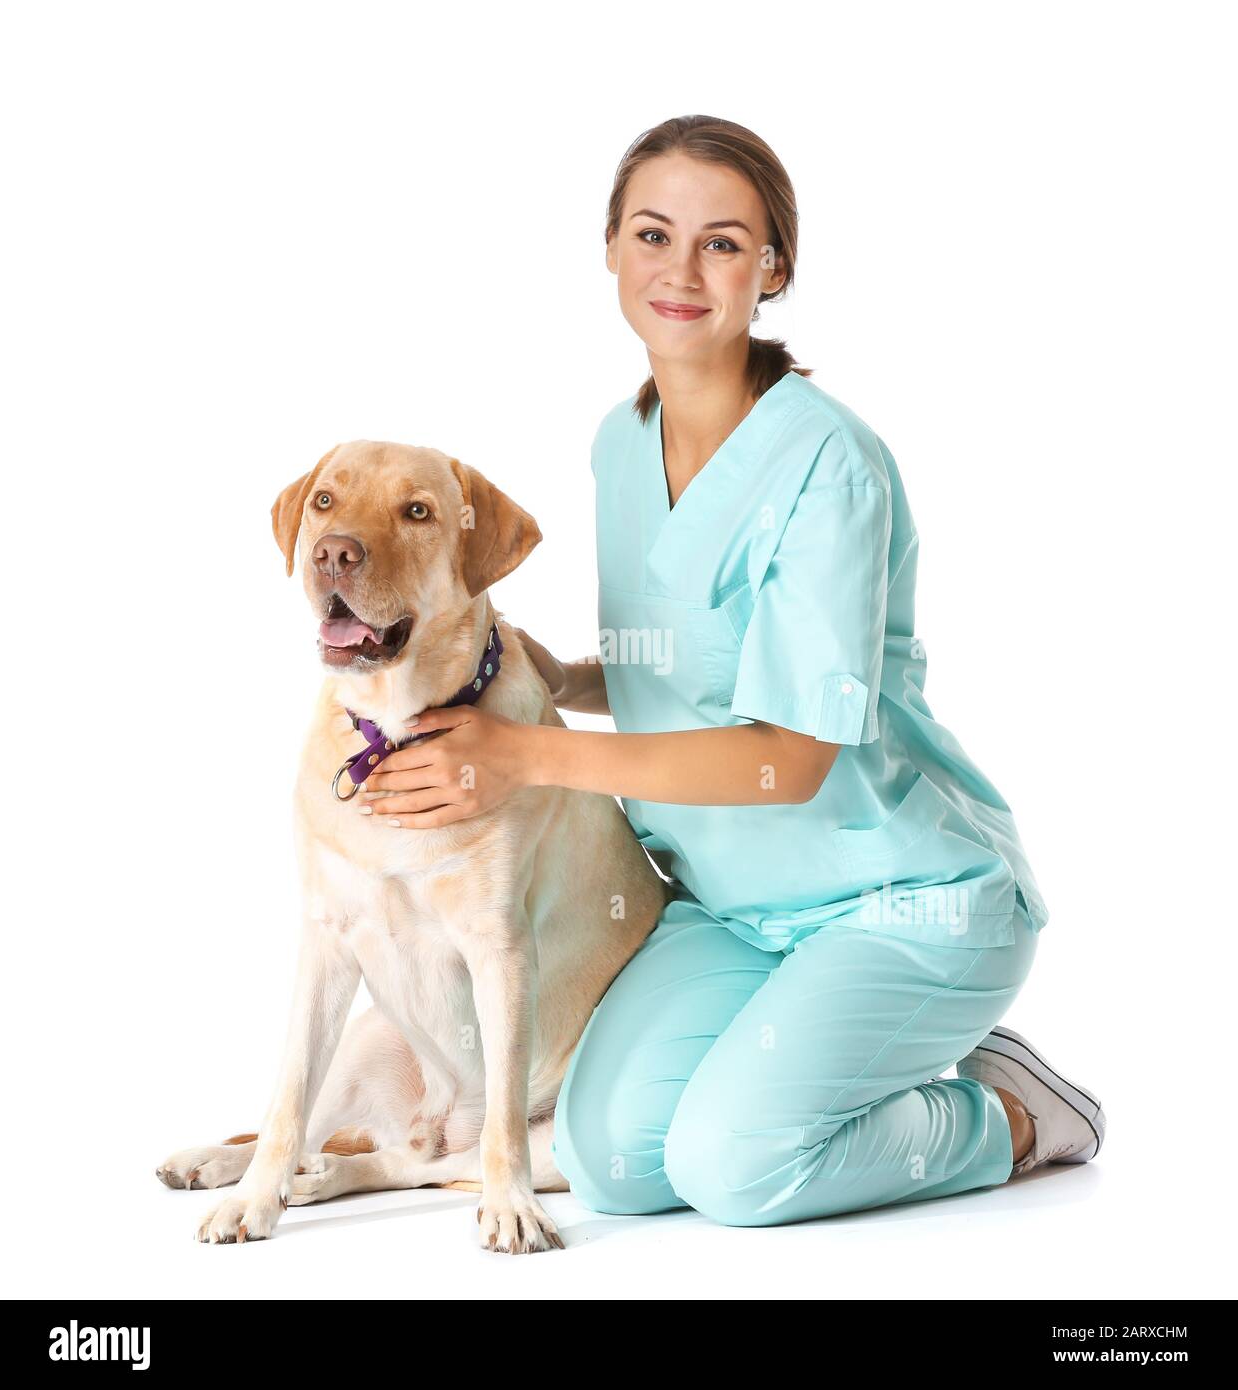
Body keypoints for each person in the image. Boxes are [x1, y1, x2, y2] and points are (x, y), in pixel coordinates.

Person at [356, 115, 1105, 1226]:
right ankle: (827, 1066)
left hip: (900, 899)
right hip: (729, 910)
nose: (681, 271)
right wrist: (556, 679)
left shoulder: (829, 464)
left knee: (734, 1169)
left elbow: (789, 759)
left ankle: (1012, 1113)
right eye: (653, 234)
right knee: (613, 1164)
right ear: (610, 247)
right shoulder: (619, 443)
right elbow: (689, 654)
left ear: (774, 268)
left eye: (722, 243)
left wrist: (524, 754)